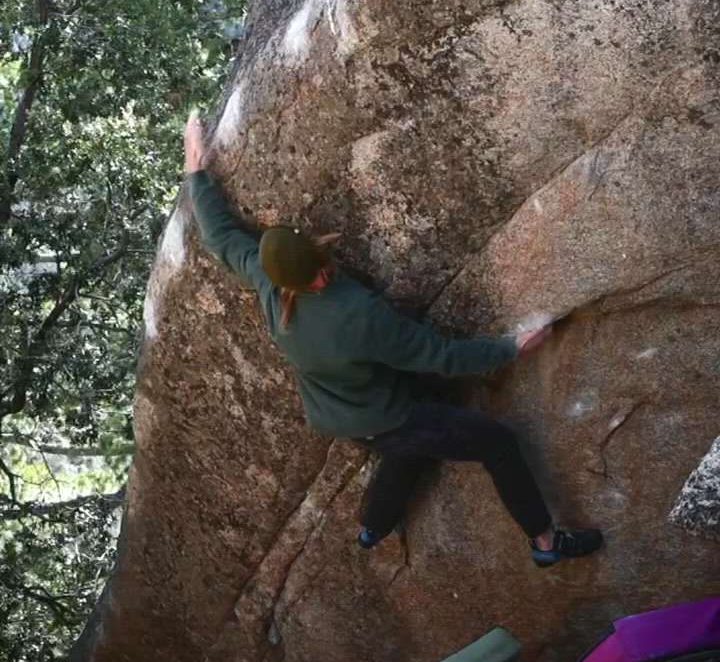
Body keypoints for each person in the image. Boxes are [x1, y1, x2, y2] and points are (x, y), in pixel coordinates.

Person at [183, 112, 602, 567]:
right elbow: (438, 355)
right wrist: (511, 347)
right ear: (320, 274)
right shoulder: (357, 315)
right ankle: (546, 545)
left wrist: (196, 171)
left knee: (405, 452)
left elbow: (220, 235)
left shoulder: (267, 280)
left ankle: (372, 528)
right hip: (390, 415)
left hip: (340, 413)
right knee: (494, 442)